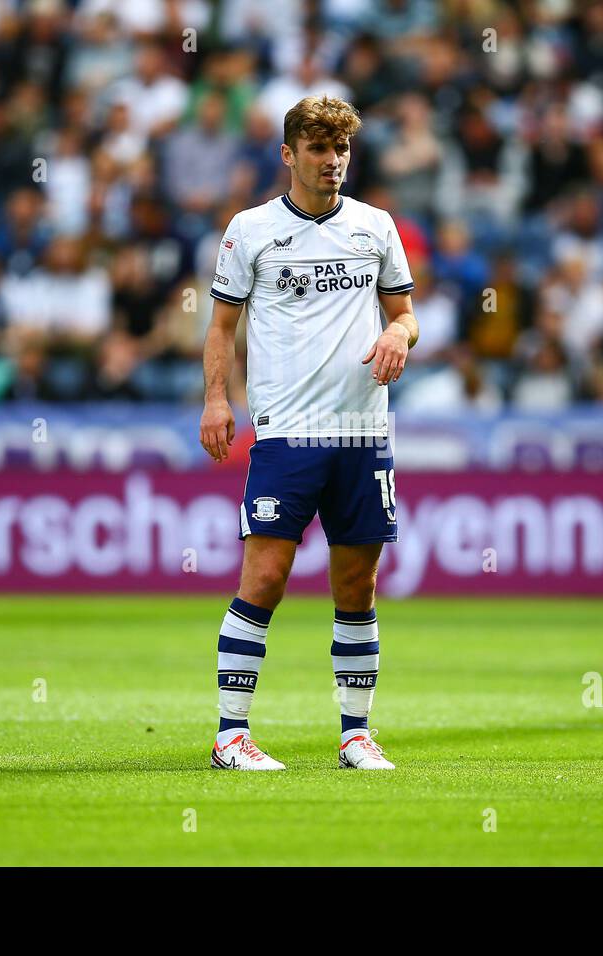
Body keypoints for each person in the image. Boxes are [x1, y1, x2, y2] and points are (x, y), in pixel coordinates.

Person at [199, 96, 418, 771]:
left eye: (341, 151)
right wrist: (215, 399)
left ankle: (356, 736)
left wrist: (395, 333)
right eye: (319, 150)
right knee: (265, 576)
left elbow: (407, 314)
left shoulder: (375, 226)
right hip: (288, 432)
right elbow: (221, 328)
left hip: (362, 432)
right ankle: (230, 736)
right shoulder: (251, 230)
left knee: (357, 588)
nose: (332, 162)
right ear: (288, 154)